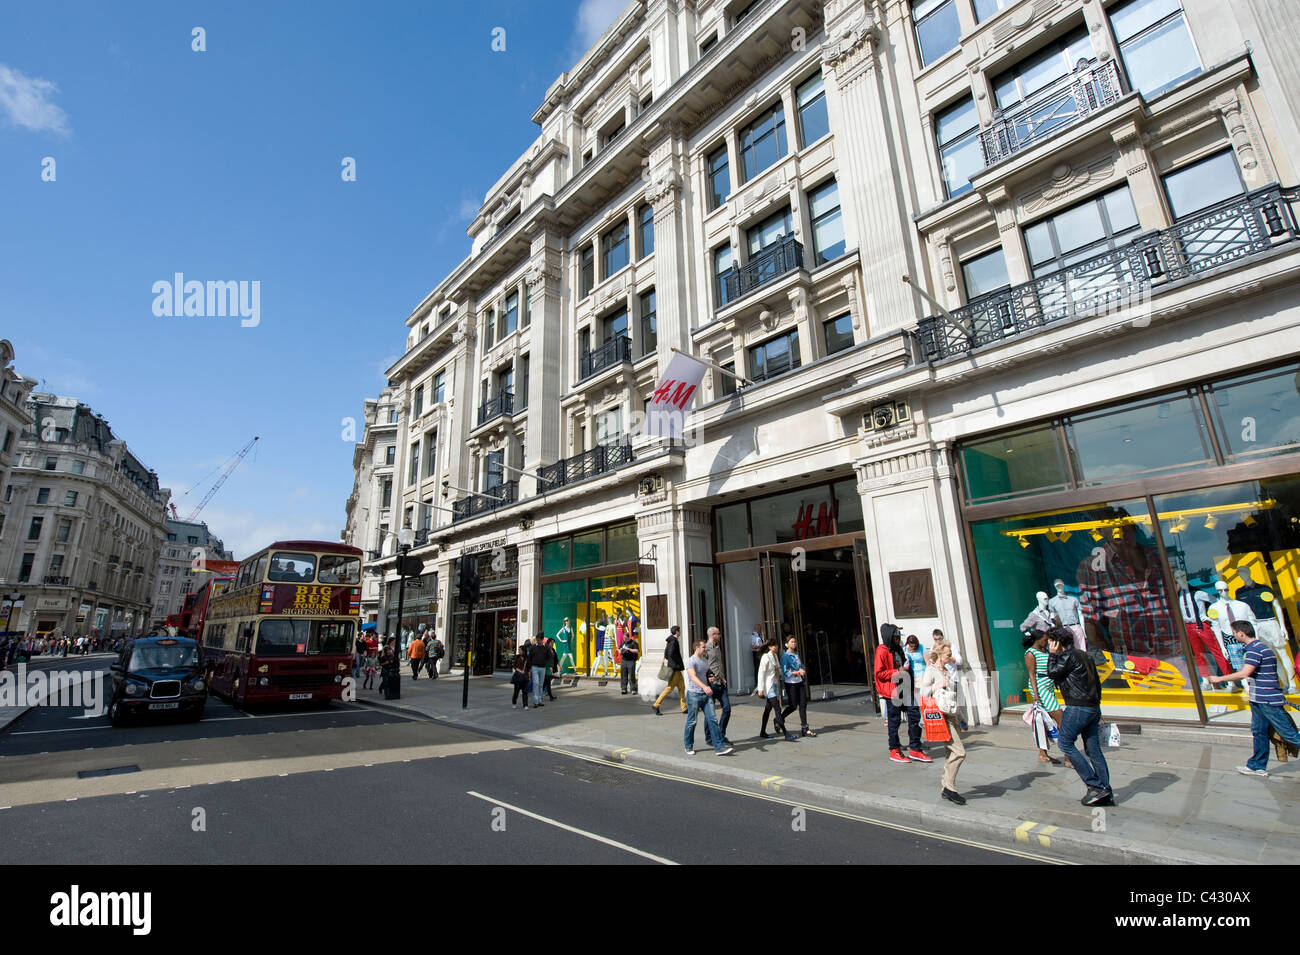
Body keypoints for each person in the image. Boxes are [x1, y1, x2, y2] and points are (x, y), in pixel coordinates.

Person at [1209, 620, 1300, 777]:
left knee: (1289, 734)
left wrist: (1219, 679)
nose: (1233, 635)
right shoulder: (1258, 648)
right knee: (1259, 731)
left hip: (1267, 700)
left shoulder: (1255, 650)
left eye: (1234, 632)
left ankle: (1256, 765)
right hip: (1258, 698)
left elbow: (1245, 673)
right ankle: (1256, 766)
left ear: (1241, 633)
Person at [1045, 627, 1112, 806]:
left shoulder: (1068, 656)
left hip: (1078, 707)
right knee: (1093, 749)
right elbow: (1097, 683)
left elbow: (1052, 673)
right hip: (1092, 707)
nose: (1048, 646)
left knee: (1065, 743)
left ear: (1057, 643)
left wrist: (1052, 655)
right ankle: (1105, 789)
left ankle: (1094, 785)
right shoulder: (1085, 655)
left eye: (1050, 642)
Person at [874, 623, 928, 763]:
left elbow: (905, 666)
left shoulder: (898, 649)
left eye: (899, 636)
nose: (898, 638)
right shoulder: (882, 651)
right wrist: (897, 672)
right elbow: (879, 673)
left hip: (905, 688)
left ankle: (915, 748)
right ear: (889, 636)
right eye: (896, 635)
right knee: (894, 721)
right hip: (892, 691)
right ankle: (894, 749)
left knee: (914, 714)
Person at [919, 644, 967, 804]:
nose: (950, 657)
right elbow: (923, 693)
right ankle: (949, 788)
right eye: (948, 654)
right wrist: (936, 686)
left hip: (952, 716)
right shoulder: (931, 671)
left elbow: (952, 698)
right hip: (941, 718)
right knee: (959, 752)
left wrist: (961, 716)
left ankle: (946, 787)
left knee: (950, 753)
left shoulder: (947, 671)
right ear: (939, 655)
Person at [684, 638, 733, 756]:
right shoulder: (691, 661)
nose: (705, 649)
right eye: (703, 647)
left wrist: (710, 679)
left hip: (706, 695)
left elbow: (707, 674)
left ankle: (719, 747)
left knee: (713, 720)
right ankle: (688, 745)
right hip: (694, 694)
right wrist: (704, 686)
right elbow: (693, 677)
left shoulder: (705, 660)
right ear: (697, 648)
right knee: (692, 721)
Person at [1023, 631, 1063, 765]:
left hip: (1049, 686)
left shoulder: (1045, 651)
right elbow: (1031, 674)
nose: (1046, 642)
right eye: (1044, 640)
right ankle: (1068, 754)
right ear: (1037, 640)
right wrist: (1035, 695)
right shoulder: (1031, 653)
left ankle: (1043, 754)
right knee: (1061, 719)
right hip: (1040, 688)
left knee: (1043, 721)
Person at [756, 637, 797, 741]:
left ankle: (762, 731)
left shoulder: (775, 656)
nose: (776, 647)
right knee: (777, 709)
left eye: (777, 645)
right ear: (769, 647)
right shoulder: (766, 657)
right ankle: (786, 734)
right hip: (769, 686)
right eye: (774, 645)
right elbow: (761, 673)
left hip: (774, 685)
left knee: (768, 709)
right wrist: (760, 689)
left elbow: (778, 669)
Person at [779, 635, 816, 738]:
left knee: (803, 704)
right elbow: (786, 672)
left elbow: (800, 665)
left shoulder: (796, 654)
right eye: (792, 642)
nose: (794, 644)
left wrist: (802, 669)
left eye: (795, 642)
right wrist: (797, 672)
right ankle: (779, 718)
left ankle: (805, 728)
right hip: (790, 684)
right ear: (787, 644)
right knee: (793, 706)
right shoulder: (785, 657)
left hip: (799, 682)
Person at [705, 626, 732, 746]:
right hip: (711, 685)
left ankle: (721, 733)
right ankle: (709, 737)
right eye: (718, 634)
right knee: (709, 712)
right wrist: (706, 679)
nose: (720, 636)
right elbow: (703, 666)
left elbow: (718, 665)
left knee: (727, 708)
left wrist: (723, 678)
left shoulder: (717, 647)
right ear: (713, 635)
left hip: (721, 683)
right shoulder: (706, 648)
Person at [652, 625, 688, 715]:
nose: (680, 632)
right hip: (675, 669)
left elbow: (666, 653)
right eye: (679, 631)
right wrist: (674, 664)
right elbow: (670, 653)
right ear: (676, 631)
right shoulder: (673, 641)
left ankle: (684, 708)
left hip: (677, 669)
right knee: (670, 688)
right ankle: (656, 704)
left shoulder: (671, 640)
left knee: (682, 687)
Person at [527, 631, 550, 708]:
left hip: (543, 667)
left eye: (539, 639)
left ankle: (539, 700)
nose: (538, 641)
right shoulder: (533, 647)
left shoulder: (546, 647)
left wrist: (546, 663)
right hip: (535, 667)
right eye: (537, 639)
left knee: (540, 684)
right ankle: (535, 701)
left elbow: (548, 656)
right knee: (536, 684)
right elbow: (529, 658)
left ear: (542, 639)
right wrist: (530, 668)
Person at [619, 628, 639, 695]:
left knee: (631, 676)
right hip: (624, 660)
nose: (624, 639)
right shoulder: (623, 642)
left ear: (628, 637)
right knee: (623, 675)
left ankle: (633, 689)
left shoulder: (633, 643)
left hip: (631, 661)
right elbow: (619, 649)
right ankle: (624, 688)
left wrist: (629, 649)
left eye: (625, 638)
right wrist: (620, 650)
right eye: (623, 638)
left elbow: (636, 651)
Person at [511, 644, 531, 709]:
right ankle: (514, 703)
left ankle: (525, 705)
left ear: (524, 651)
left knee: (525, 692)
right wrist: (520, 671)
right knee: (516, 691)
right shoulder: (517, 657)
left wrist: (529, 674)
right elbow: (514, 666)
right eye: (519, 650)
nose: (519, 651)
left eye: (520, 650)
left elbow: (529, 668)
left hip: (525, 677)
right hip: (517, 676)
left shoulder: (527, 658)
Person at [544, 635, 559, 701]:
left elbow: (556, 658)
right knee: (547, 682)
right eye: (551, 643)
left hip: (551, 668)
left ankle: (548, 695)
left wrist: (560, 666)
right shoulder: (545, 649)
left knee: (546, 682)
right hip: (546, 668)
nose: (553, 644)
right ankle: (550, 696)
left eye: (553, 643)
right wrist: (549, 666)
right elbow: (545, 659)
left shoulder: (553, 649)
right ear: (548, 642)